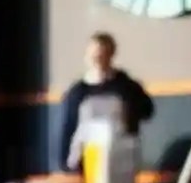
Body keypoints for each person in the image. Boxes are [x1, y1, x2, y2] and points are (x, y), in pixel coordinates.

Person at [57, 32, 154, 172]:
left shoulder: (126, 86)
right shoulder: (78, 92)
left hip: (122, 158)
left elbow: (147, 111)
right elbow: (68, 127)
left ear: (111, 55)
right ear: (87, 57)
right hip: (87, 160)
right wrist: (65, 164)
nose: (98, 60)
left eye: (102, 55)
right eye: (94, 56)